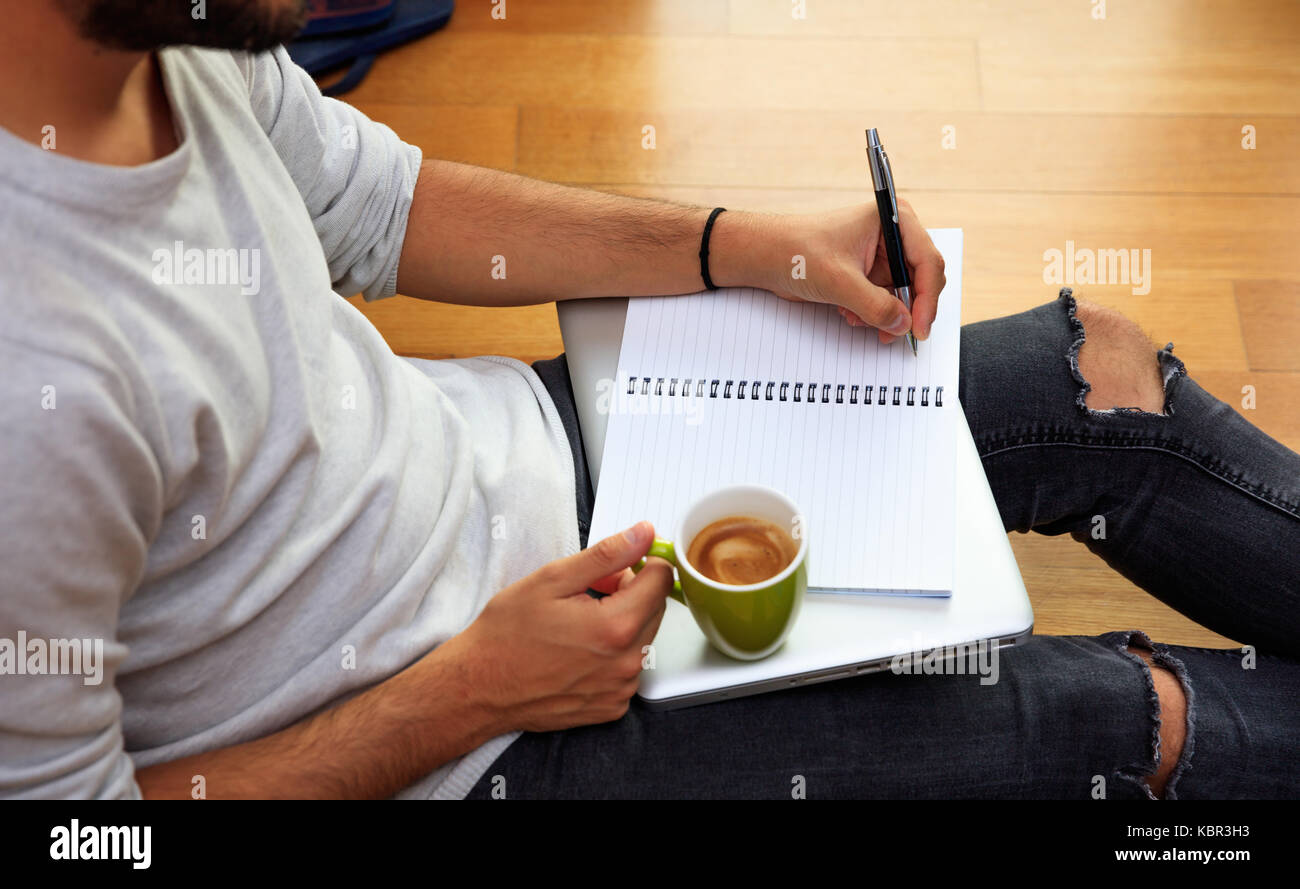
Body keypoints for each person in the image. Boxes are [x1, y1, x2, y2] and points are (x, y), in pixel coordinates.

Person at [1, 0, 1295, 800]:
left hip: (531, 461)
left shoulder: (179, 37)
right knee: (1135, 720)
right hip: (480, 742)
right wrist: (473, 692)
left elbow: (379, 207)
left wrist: (752, 244)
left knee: (1102, 374)